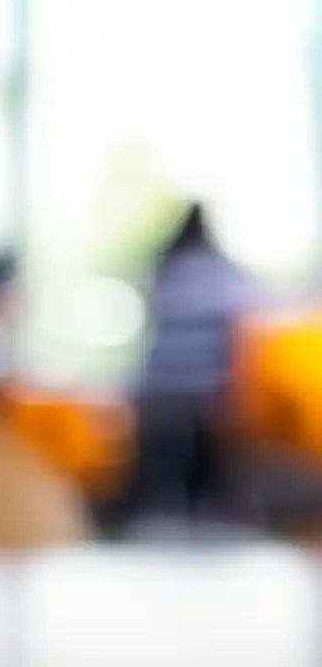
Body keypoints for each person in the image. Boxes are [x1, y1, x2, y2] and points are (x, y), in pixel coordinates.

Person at [127, 203, 259, 530]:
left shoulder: (164, 268)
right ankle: (206, 508)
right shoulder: (222, 271)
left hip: (167, 375)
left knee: (171, 449)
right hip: (207, 376)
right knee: (207, 450)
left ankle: (167, 507)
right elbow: (240, 322)